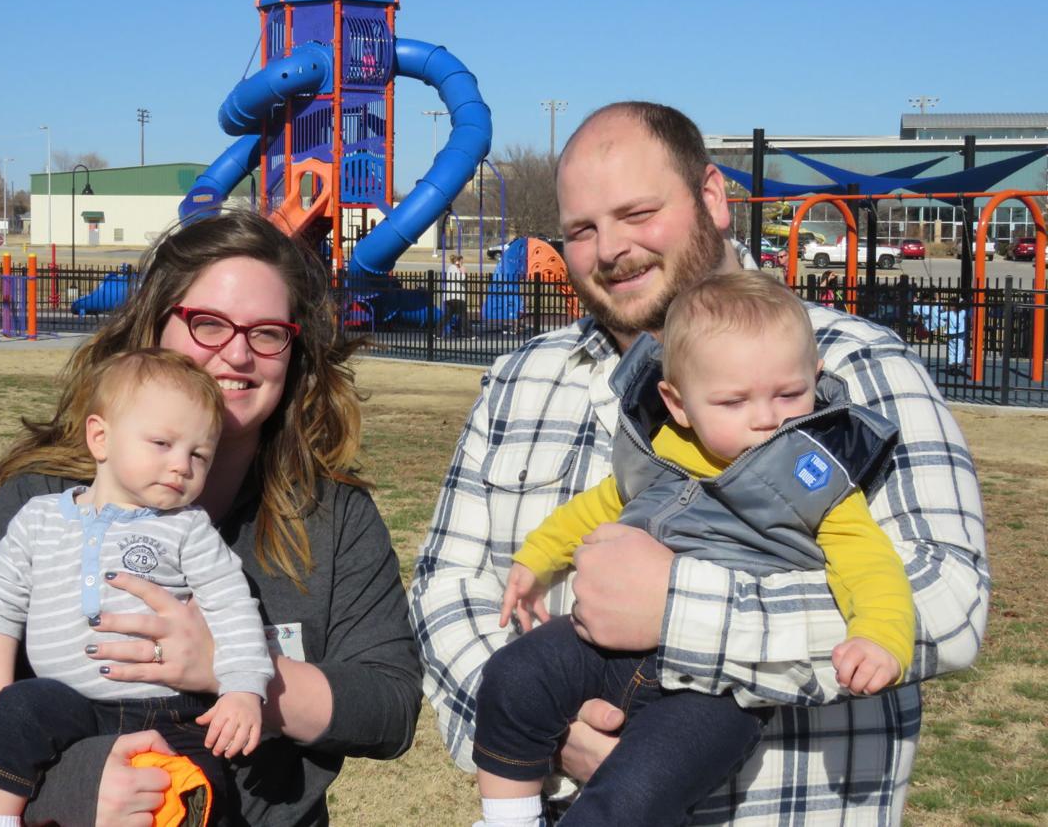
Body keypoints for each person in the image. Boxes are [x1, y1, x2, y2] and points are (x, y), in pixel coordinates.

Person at [410, 101, 988, 823]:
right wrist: (543, 736)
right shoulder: (520, 379)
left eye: (637, 213)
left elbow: (950, 603)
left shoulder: (860, 369)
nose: (610, 249)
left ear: (712, 197)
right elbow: (445, 592)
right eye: (582, 230)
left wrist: (680, 611)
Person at [0, 210, 422, 826]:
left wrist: (227, 668)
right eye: (208, 323)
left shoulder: (333, 514)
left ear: (294, 350)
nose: (237, 354)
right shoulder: (42, 499)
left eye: (268, 332)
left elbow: (390, 706)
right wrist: (76, 786)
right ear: (155, 325)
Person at [472, 271, 913, 827]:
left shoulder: (817, 477)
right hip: (598, 646)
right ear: (677, 404)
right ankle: (507, 818)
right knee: (513, 677)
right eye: (732, 401)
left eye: (790, 394)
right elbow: (598, 505)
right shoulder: (660, 450)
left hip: (715, 691)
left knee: (637, 793)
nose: (767, 417)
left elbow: (870, 565)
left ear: (816, 378)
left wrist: (880, 636)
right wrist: (535, 559)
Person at [0, 349, 273, 827]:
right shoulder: (38, 520)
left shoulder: (188, 529)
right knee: (15, 713)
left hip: (168, 711)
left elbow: (233, 609)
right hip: (64, 704)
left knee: (200, 788)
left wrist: (242, 690)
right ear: (100, 438)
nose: (182, 465)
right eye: (162, 443)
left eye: (199, 454)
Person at [439, 254, 470, 337]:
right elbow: (460, 278)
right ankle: (469, 334)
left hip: (452, 297)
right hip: (456, 297)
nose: (462, 263)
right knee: (463, 316)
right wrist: (463, 272)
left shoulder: (452, 268)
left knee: (447, 316)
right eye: (461, 261)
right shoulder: (454, 268)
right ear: (458, 261)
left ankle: (437, 332)